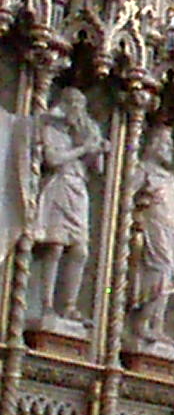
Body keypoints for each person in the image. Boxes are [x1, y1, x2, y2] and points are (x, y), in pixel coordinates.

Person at [32, 88, 104, 322]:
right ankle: (46, 305)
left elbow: (98, 169)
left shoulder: (81, 133)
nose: (78, 110)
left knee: (80, 250)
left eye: (81, 105)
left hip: (78, 190)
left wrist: (96, 148)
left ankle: (70, 306)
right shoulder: (52, 129)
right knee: (55, 247)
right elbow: (52, 159)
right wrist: (82, 149)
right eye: (74, 103)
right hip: (60, 185)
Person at [128, 125, 174, 347]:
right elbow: (125, 194)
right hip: (153, 228)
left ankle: (157, 325)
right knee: (160, 273)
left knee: (171, 276)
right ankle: (141, 323)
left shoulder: (170, 178)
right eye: (165, 144)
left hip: (172, 232)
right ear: (153, 146)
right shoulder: (144, 170)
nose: (169, 149)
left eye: (171, 146)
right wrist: (136, 214)